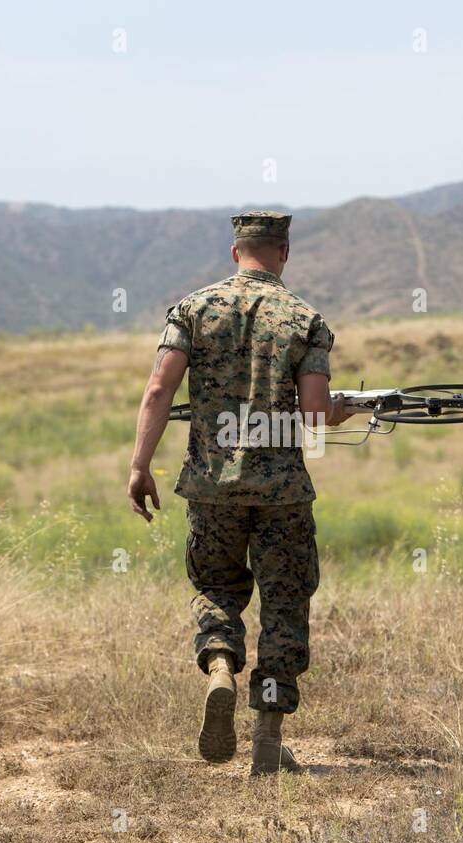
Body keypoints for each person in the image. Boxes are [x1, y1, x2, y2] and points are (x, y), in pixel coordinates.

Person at [127, 210, 351, 775]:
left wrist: (139, 466)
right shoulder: (305, 320)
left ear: (235, 253)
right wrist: (344, 410)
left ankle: (222, 665)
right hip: (281, 495)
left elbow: (158, 390)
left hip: (211, 488)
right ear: (284, 252)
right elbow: (315, 414)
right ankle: (268, 742)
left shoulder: (192, 310)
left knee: (218, 588)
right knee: (284, 604)